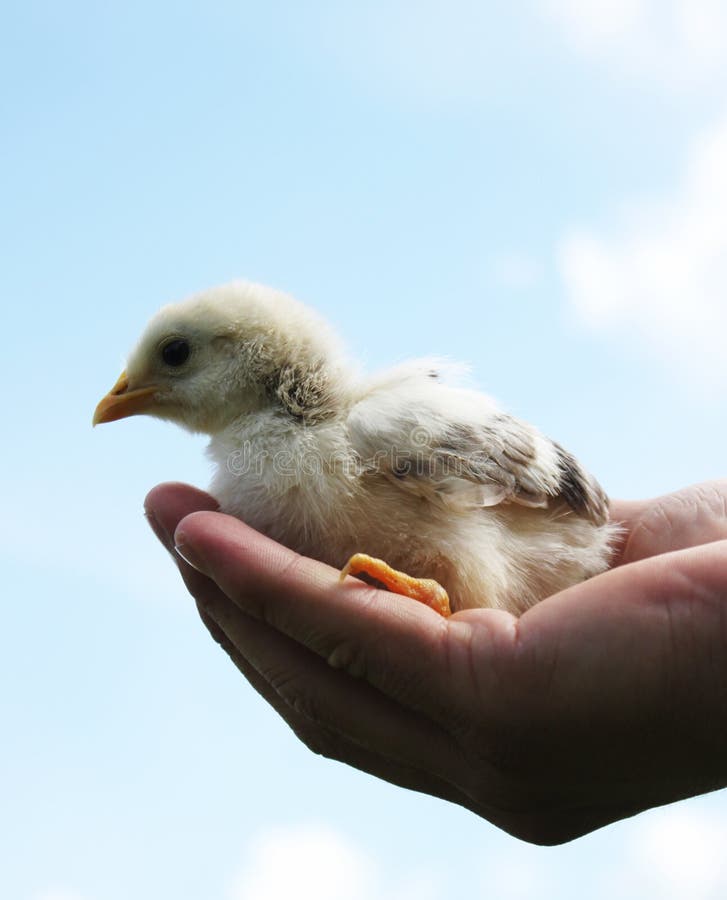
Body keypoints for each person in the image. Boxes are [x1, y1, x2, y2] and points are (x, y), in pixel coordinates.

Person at [144, 479, 727, 845]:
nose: (122, 392)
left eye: (175, 358)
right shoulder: (258, 477)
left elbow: (574, 505)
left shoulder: (377, 429)